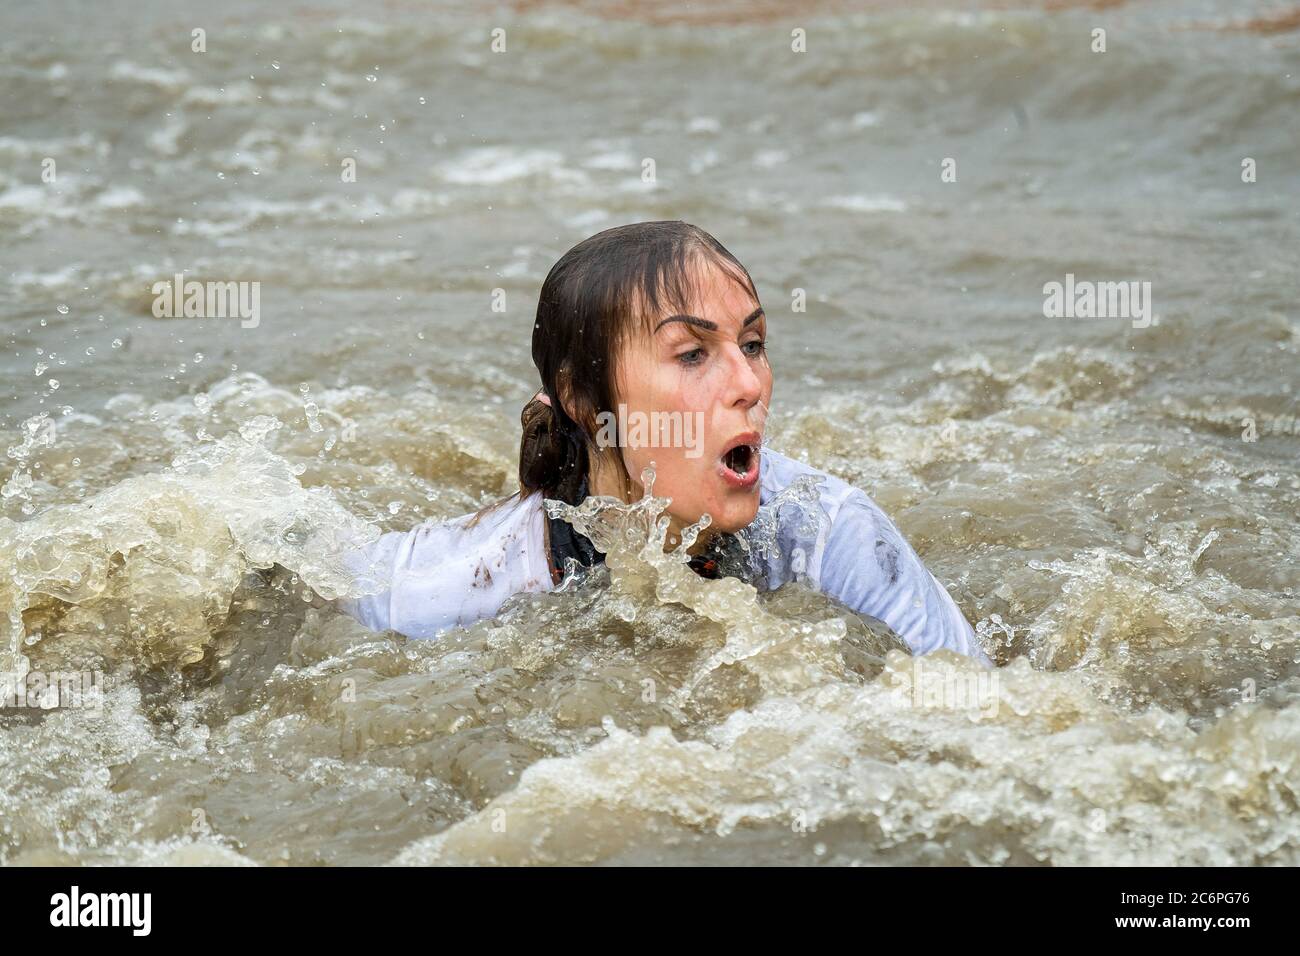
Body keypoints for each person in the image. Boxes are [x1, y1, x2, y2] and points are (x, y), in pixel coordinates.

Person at [338, 221, 992, 667]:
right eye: (692, 353)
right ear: (582, 400)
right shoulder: (465, 582)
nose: (748, 384)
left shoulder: (830, 531)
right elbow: (313, 595)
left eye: (754, 344)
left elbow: (990, 711)